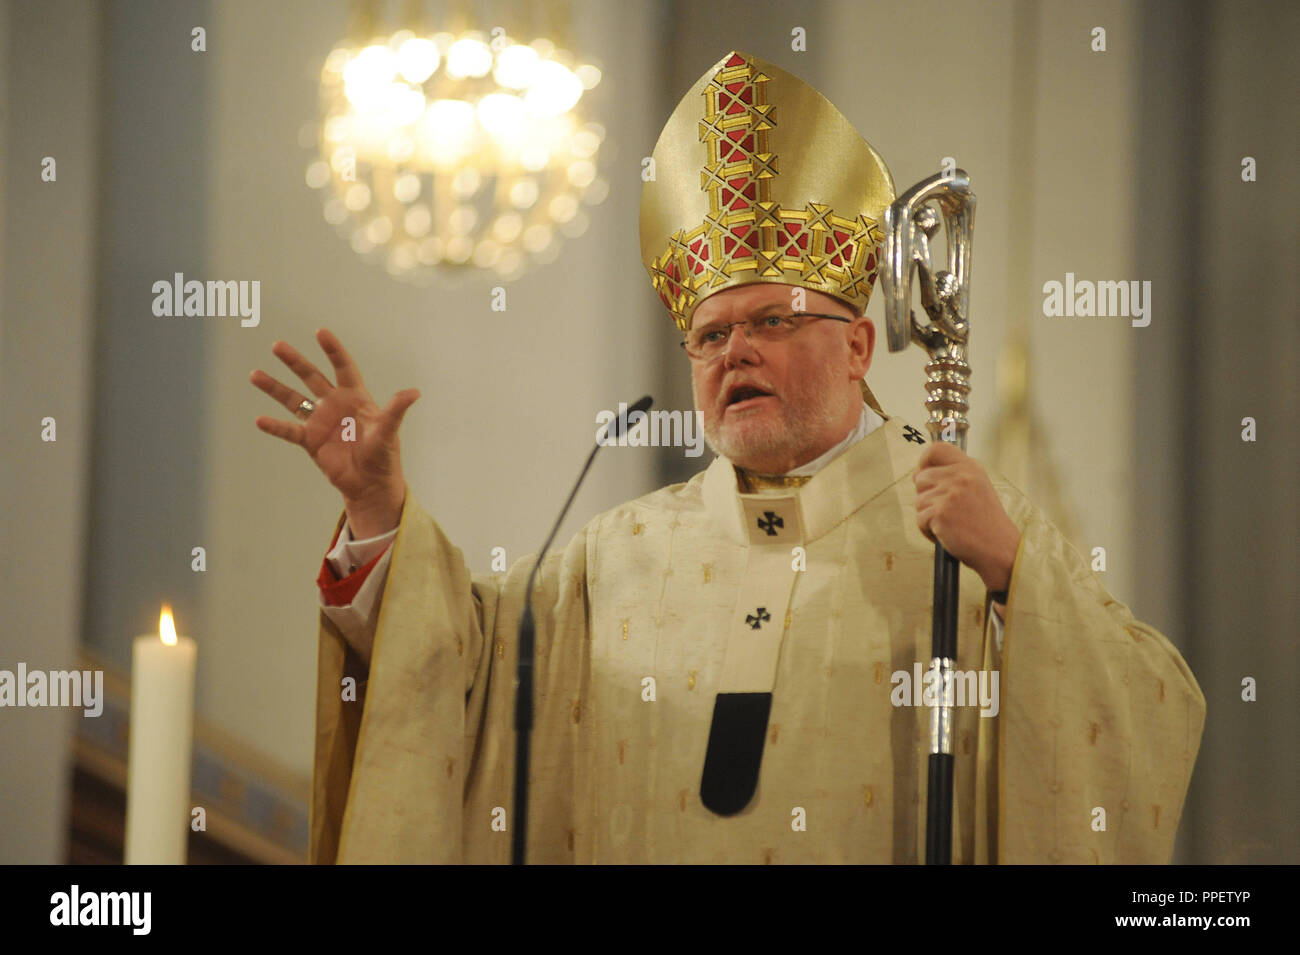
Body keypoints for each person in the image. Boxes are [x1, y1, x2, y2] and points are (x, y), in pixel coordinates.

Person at [251, 51, 1204, 863]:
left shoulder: (961, 530)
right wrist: (379, 511)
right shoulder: (611, 559)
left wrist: (1014, 574)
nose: (734, 352)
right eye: (710, 336)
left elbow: (1148, 710)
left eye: (772, 321)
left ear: (858, 346)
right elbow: (457, 673)